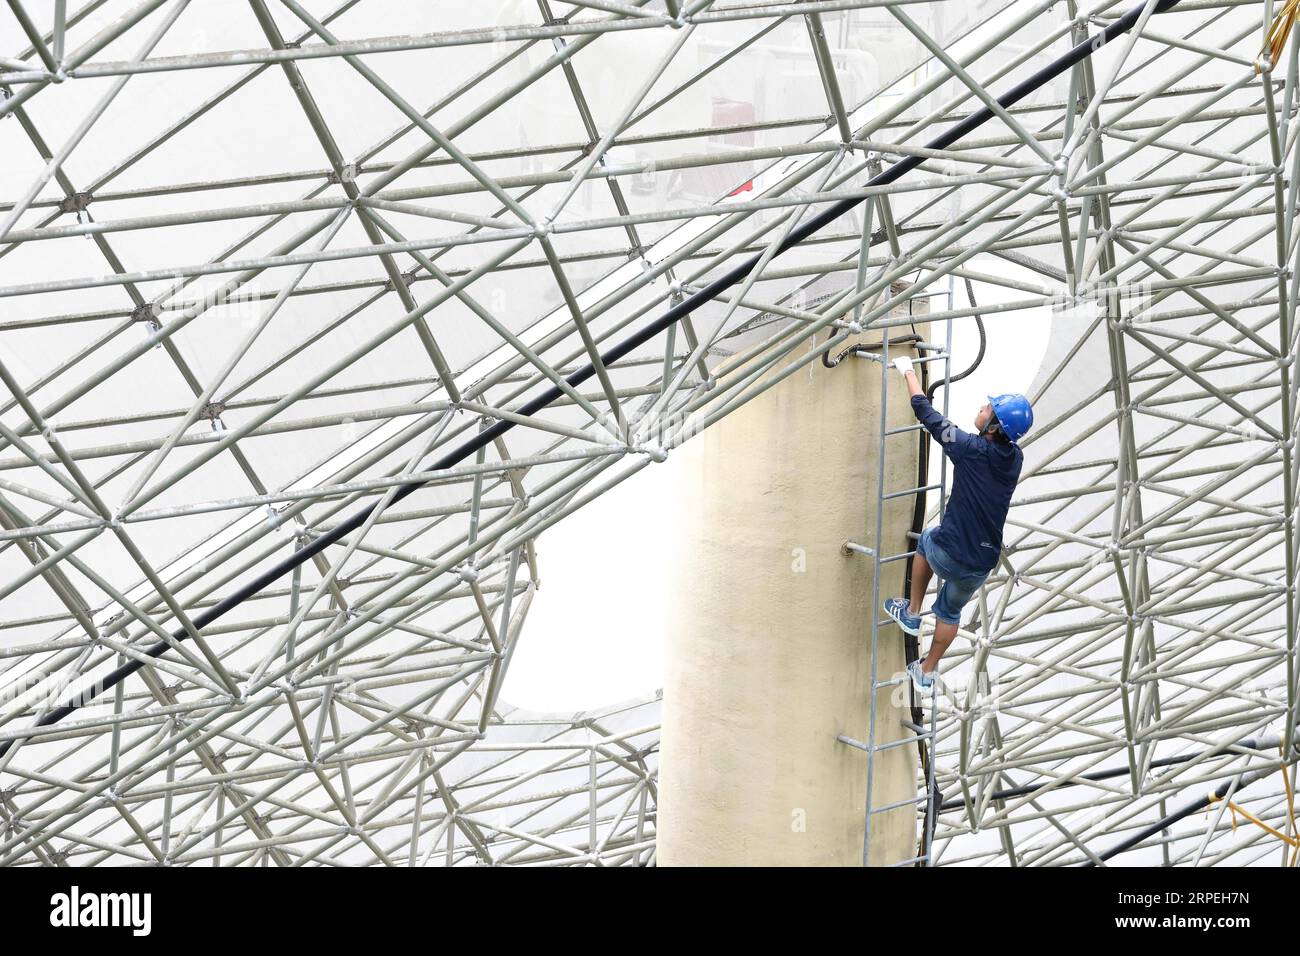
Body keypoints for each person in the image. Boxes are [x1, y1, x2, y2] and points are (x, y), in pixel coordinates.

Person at [883, 355, 1032, 692]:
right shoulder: (1014, 458)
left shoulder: (969, 449)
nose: (981, 408)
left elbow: (926, 413)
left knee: (925, 540)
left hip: (948, 551)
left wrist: (908, 370)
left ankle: (911, 611)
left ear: (993, 427)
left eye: (986, 409)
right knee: (950, 611)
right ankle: (927, 671)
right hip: (981, 562)